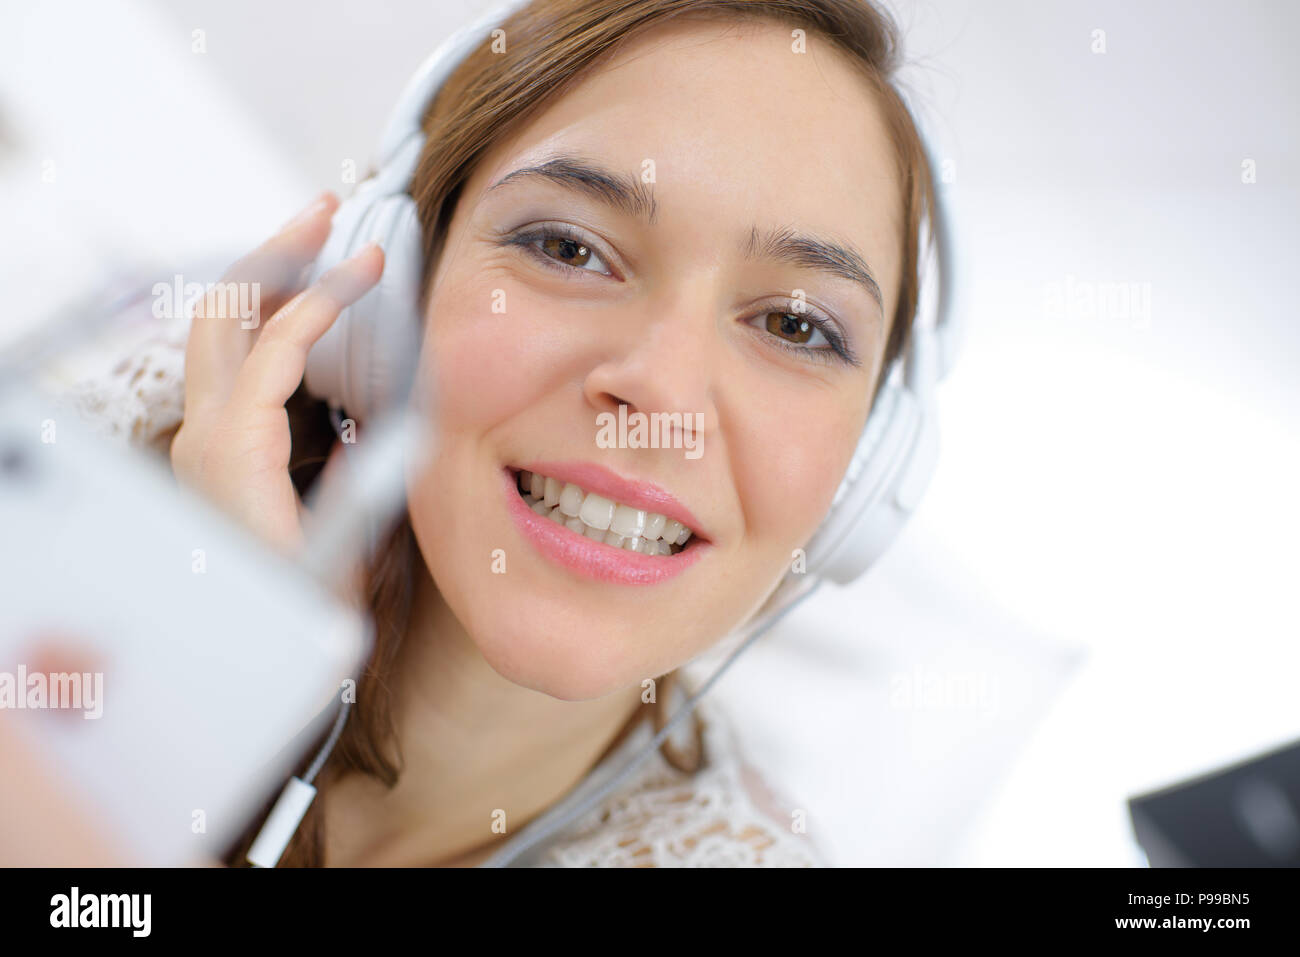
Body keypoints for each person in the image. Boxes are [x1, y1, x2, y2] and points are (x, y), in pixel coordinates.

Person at [64, 0, 938, 867]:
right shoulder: (65, 478)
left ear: (868, 466)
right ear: (394, 289)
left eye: (794, 326)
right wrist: (216, 652)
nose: (663, 392)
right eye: (567, 248)